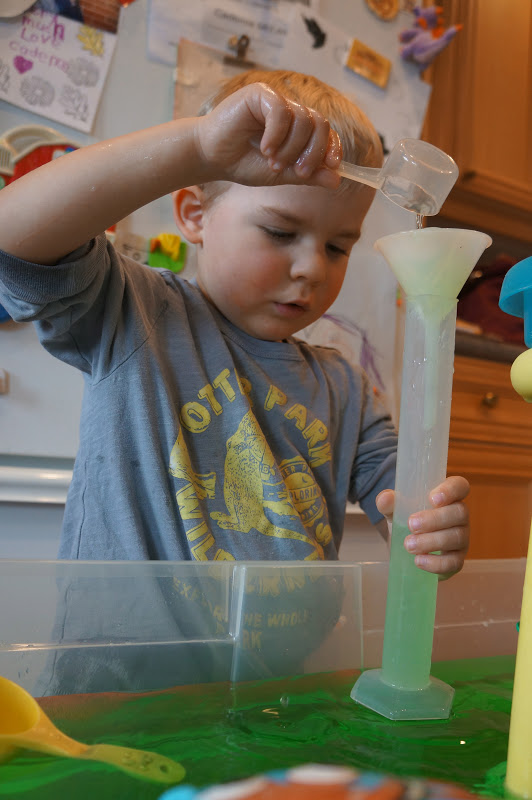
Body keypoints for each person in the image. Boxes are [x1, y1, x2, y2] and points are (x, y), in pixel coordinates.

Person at [0, 69, 469, 577]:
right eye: (279, 231)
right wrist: (199, 148)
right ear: (195, 216)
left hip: (291, 661)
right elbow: (14, 237)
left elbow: (403, 498)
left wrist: (432, 523)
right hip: (125, 657)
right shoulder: (132, 312)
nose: (313, 266)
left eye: (338, 246)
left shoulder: (346, 391)